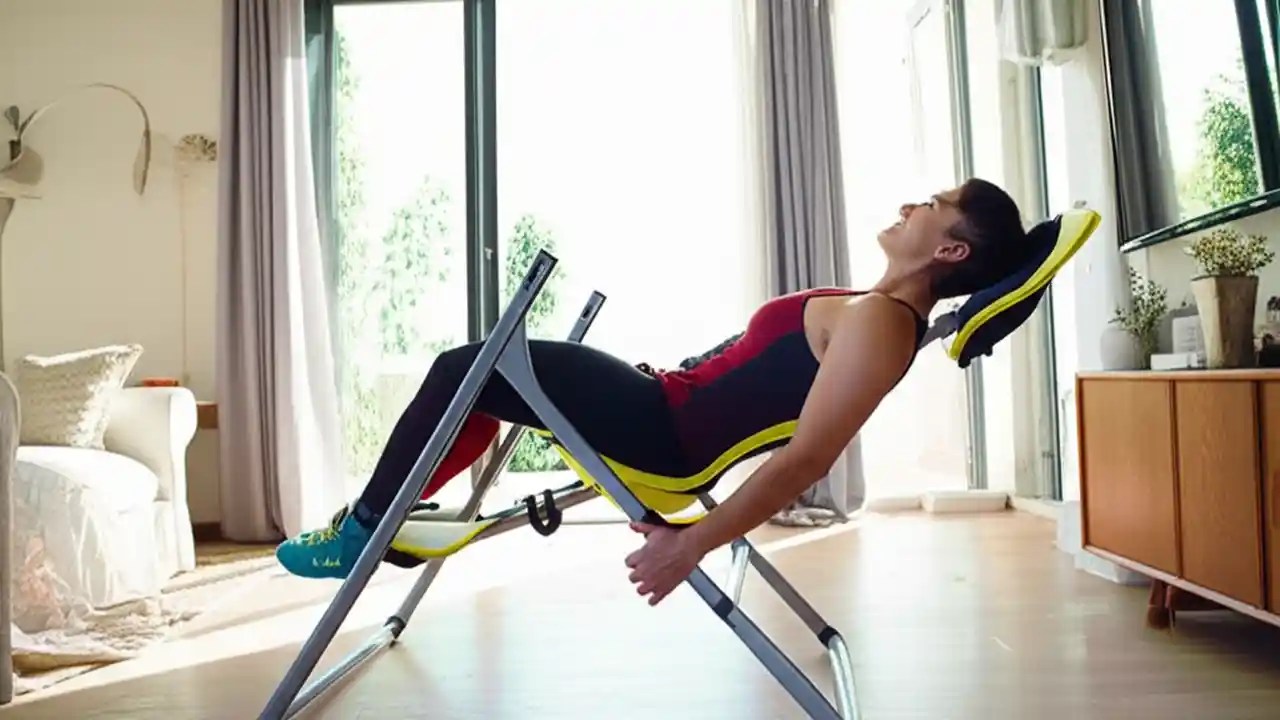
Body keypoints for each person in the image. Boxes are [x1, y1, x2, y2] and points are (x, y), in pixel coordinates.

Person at [276, 177, 1030, 606]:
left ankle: (363, 532)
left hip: (664, 435)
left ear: (950, 248)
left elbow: (806, 460)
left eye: (932, 203)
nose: (911, 204)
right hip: (661, 403)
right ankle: (381, 521)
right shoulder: (873, 311)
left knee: (464, 369)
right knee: (481, 382)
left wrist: (691, 547)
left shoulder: (881, 327)